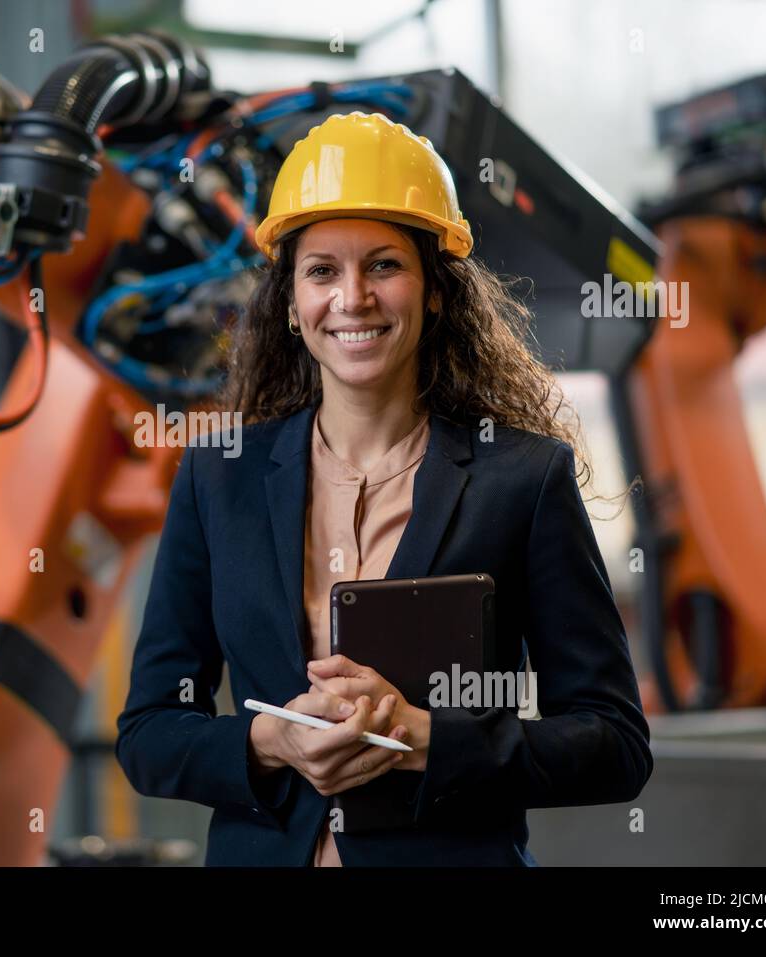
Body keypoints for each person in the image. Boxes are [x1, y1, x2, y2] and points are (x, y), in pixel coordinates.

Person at [115, 111, 653, 866]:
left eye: (384, 265)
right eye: (323, 270)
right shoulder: (219, 478)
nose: (353, 298)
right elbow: (148, 733)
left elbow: (613, 745)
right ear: (293, 304)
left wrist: (424, 738)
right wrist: (273, 739)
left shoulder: (522, 479)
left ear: (435, 291)